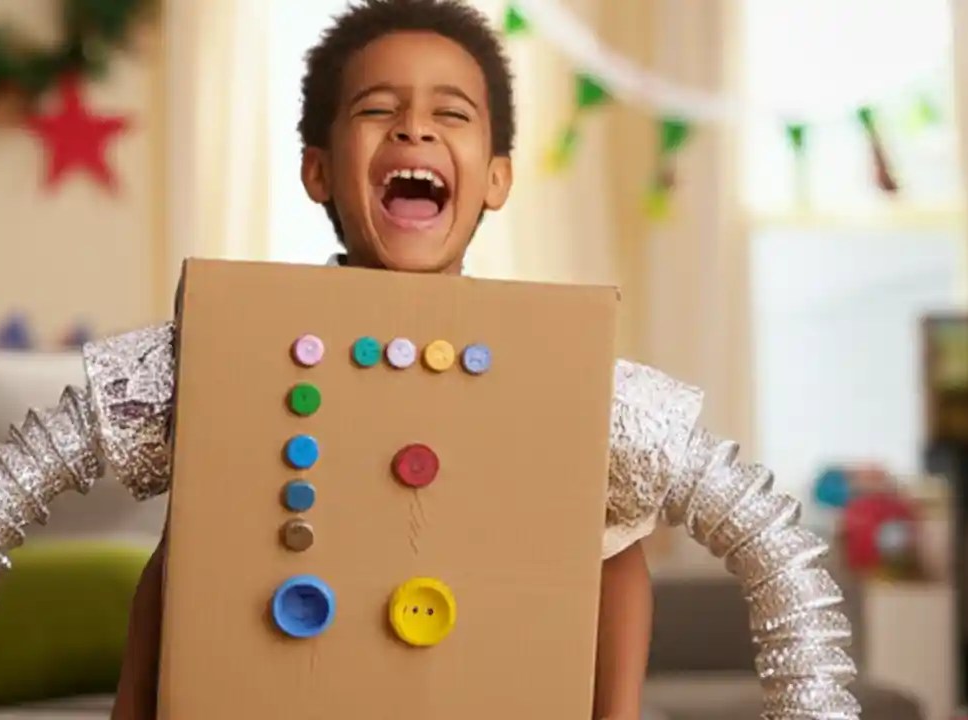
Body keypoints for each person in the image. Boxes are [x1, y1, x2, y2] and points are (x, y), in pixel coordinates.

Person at [111, 2, 652, 718]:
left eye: (451, 114)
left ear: (496, 178)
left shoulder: (551, 363)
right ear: (319, 170)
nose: (414, 127)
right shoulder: (251, 349)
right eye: (377, 109)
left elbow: (613, 558)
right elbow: (190, 551)